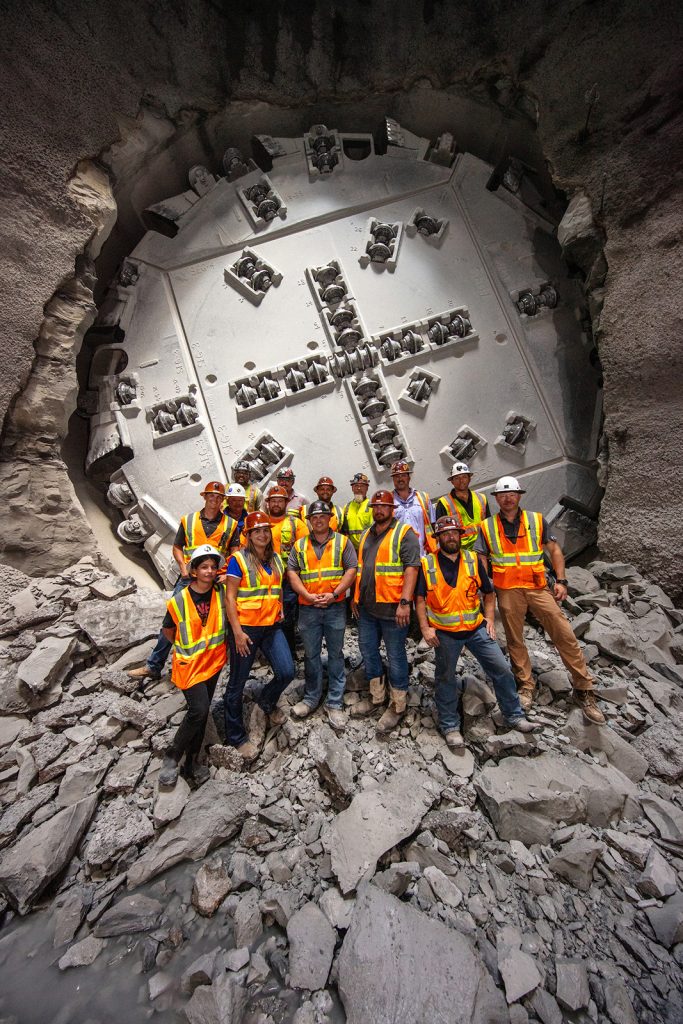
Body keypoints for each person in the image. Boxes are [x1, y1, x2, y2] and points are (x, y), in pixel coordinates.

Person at [478, 476, 605, 724]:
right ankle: (526, 686)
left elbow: (554, 550)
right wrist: (486, 589)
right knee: (515, 640)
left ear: (519, 495)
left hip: (537, 588)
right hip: (507, 590)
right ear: (496, 498)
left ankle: (583, 687)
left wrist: (561, 580)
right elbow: (482, 559)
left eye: (511, 493)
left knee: (564, 634)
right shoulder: (487, 526)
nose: (507, 498)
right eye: (502, 495)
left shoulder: (536, 520)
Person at [415, 516, 536, 748]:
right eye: (445, 533)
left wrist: (490, 618)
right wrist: (425, 628)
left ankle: (514, 715)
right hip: (445, 633)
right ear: (438, 538)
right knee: (445, 678)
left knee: (501, 669)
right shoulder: (427, 563)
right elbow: (420, 600)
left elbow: (488, 593)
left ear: (460, 536)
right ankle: (450, 726)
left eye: (454, 533)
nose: (450, 537)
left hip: (475, 629)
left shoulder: (471, 560)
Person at [128, 482, 238, 681]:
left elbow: (235, 552)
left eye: (219, 497)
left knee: (217, 621)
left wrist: (227, 574)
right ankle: (154, 665)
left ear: (223, 500)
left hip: (216, 580)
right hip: (189, 579)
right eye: (211, 496)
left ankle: (211, 663)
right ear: (205, 497)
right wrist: (183, 567)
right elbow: (178, 546)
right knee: (173, 618)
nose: (215, 500)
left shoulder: (230, 525)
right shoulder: (189, 520)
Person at [223, 511, 295, 759]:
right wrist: (237, 633)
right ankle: (236, 737)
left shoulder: (276, 559)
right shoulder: (238, 560)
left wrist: (281, 609)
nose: (262, 535)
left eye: (265, 530)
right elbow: (230, 597)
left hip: (271, 626)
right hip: (246, 630)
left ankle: (264, 704)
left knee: (287, 672)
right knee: (237, 683)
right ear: (249, 535)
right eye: (257, 531)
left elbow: (275, 588)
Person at [351, 490, 421, 734]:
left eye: (384, 506)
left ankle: (398, 705)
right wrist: (356, 598)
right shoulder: (366, 535)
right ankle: (377, 698)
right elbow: (361, 569)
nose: (379, 509)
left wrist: (405, 603)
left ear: (392, 509)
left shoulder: (405, 533)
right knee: (368, 652)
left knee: (396, 656)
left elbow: (412, 568)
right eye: (376, 506)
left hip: (393, 610)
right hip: (368, 609)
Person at [158, 544, 228, 787]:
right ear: (194, 571)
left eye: (212, 567)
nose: (209, 571)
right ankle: (172, 756)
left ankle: (192, 763)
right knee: (198, 710)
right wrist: (181, 645)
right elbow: (168, 630)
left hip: (213, 662)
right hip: (189, 665)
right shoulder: (179, 600)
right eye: (204, 567)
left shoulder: (220, 592)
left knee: (202, 711)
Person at [287, 501, 358, 730]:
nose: (318, 520)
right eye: (314, 517)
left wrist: (335, 593)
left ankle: (335, 702)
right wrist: (306, 595)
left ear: (329, 518)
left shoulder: (342, 542)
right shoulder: (299, 545)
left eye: (322, 516)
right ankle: (311, 698)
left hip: (335, 606)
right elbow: (292, 573)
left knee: (336, 654)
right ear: (309, 520)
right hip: (308, 608)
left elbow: (351, 569)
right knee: (311, 654)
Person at [265, 485, 308, 657]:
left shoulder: (296, 524)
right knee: (267, 615)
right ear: (268, 503)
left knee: (288, 617)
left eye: (280, 501)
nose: (276, 504)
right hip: (266, 579)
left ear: (286, 502)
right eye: (273, 500)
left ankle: (289, 653)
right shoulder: (261, 523)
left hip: (289, 579)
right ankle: (271, 652)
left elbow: (305, 550)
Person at [435, 462, 490, 550]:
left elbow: (489, 526)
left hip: (483, 549)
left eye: (464, 477)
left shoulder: (482, 498)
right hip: (460, 552)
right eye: (457, 478)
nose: (461, 481)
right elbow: (440, 534)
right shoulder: (444, 503)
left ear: (469, 478)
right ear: (452, 481)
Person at [390, 460, 437, 555]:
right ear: (393, 479)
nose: (400, 479)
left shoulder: (423, 498)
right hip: (400, 555)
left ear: (408, 477)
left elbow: (433, 525)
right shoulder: (388, 501)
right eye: (396, 476)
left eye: (403, 475)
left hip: (424, 554)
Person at [342, 472, 373, 551]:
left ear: (367, 488)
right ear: (352, 488)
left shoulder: (372, 506)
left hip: (368, 549)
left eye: (362, 486)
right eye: (356, 486)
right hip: (352, 551)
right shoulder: (346, 507)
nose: (359, 488)